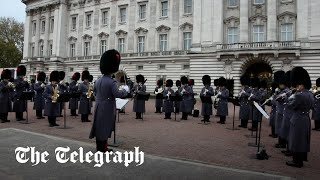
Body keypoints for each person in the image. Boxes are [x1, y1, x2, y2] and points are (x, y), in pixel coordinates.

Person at [89, 49, 128, 152]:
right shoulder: (111, 82)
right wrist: (125, 90)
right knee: (105, 126)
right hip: (107, 107)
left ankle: (100, 147)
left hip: (98, 105)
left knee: (99, 126)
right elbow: (118, 94)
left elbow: (96, 92)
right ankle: (103, 148)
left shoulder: (98, 81)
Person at [286, 66, 314, 168]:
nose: (297, 87)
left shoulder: (299, 95)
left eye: (298, 85)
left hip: (297, 119)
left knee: (296, 139)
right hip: (306, 118)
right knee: (303, 140)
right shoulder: (310, 94)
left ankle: (296, 161)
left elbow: (290, 105)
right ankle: (301, 159)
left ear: (301, 84)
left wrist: (291, 96)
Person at [279, 71, 294, 156]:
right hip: (287, 113)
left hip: (291, 115)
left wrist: (286, 98)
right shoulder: (288, 91)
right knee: (287, 131)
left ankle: (290, 149)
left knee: (290, 132)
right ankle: (288, 148)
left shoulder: (290, 91)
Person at [275, 72, 291, 148]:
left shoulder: (288, 91)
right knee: (279, 127)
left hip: (284, 112)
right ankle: (280, 142)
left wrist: (285, 97)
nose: (280, 85)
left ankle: (283, 143)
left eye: (281, 84)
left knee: (283, 128)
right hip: (280, 111)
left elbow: (290, 102)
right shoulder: (280, 91)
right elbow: (275, 100)